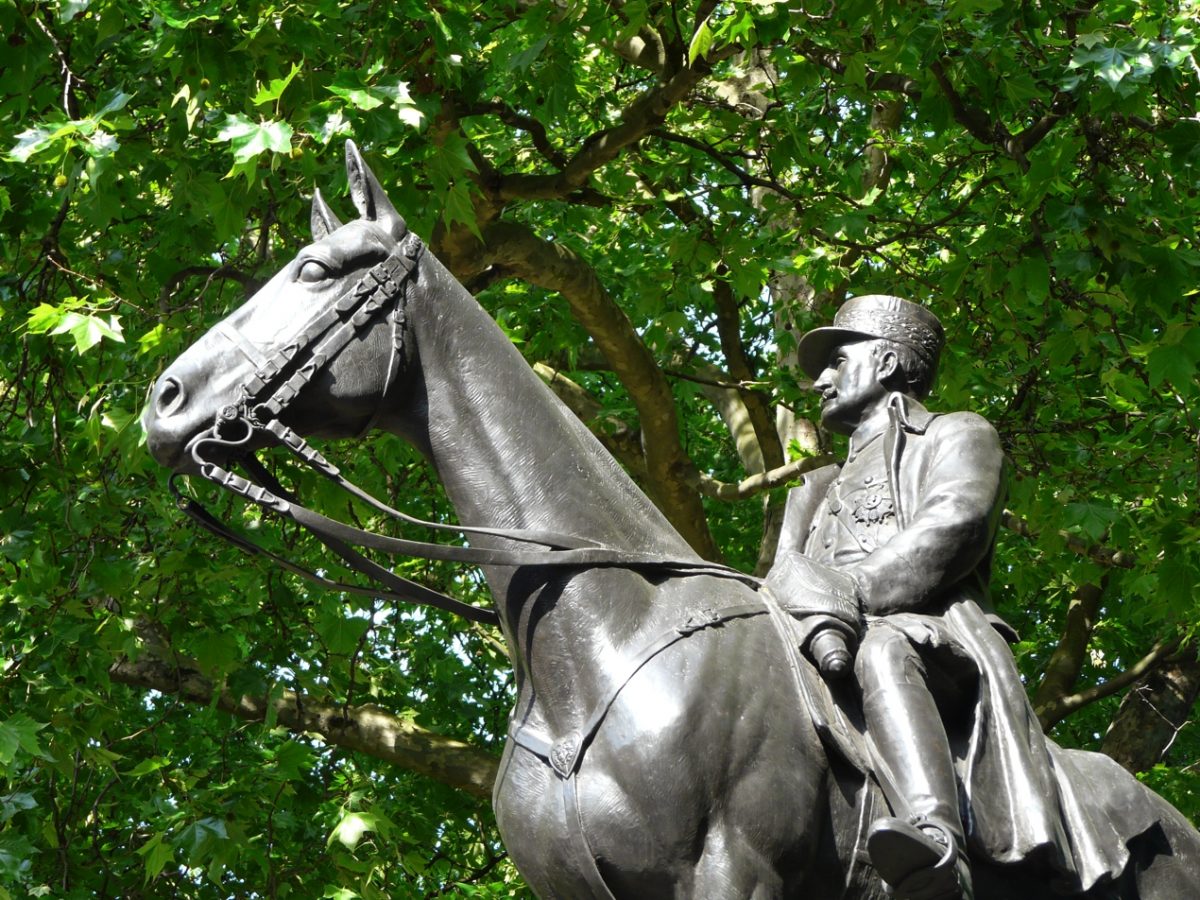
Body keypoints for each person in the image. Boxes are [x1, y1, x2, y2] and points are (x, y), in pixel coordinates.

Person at [764, 295, 1149, 900]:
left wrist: (850, 591)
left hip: (930, 634)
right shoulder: (809, 491)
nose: (820, 379)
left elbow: (956, 525)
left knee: (885, 650)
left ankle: (937, 845)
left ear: (888, 361)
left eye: (838, 360)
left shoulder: (958, 434)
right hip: (816, 640)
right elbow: (779, 581)